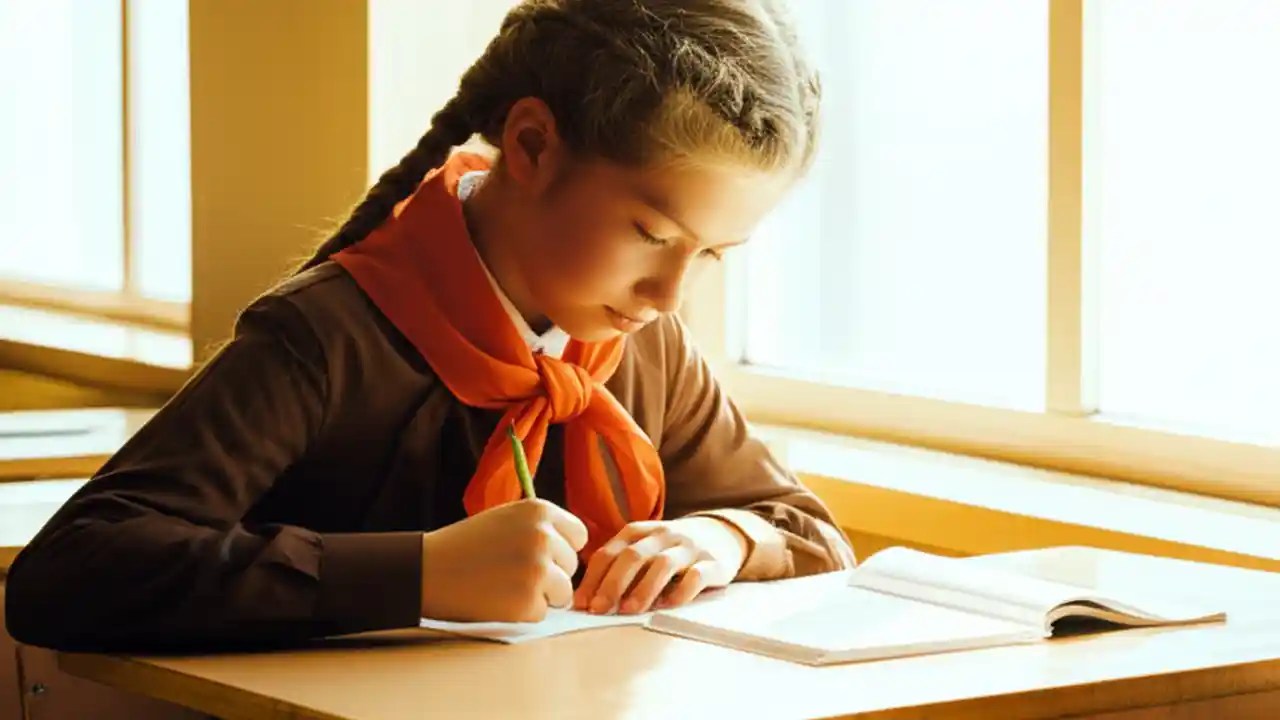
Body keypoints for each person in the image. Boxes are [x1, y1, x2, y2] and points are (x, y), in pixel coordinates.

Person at [6, 0, 853, 651]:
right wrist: (420, 573)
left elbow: (806, 531)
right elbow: (72, 570)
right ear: (530, 146)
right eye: (652, 235)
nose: (671, 293)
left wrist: (722, 536)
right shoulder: (327, 336)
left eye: (711, 255)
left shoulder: (641, 340)